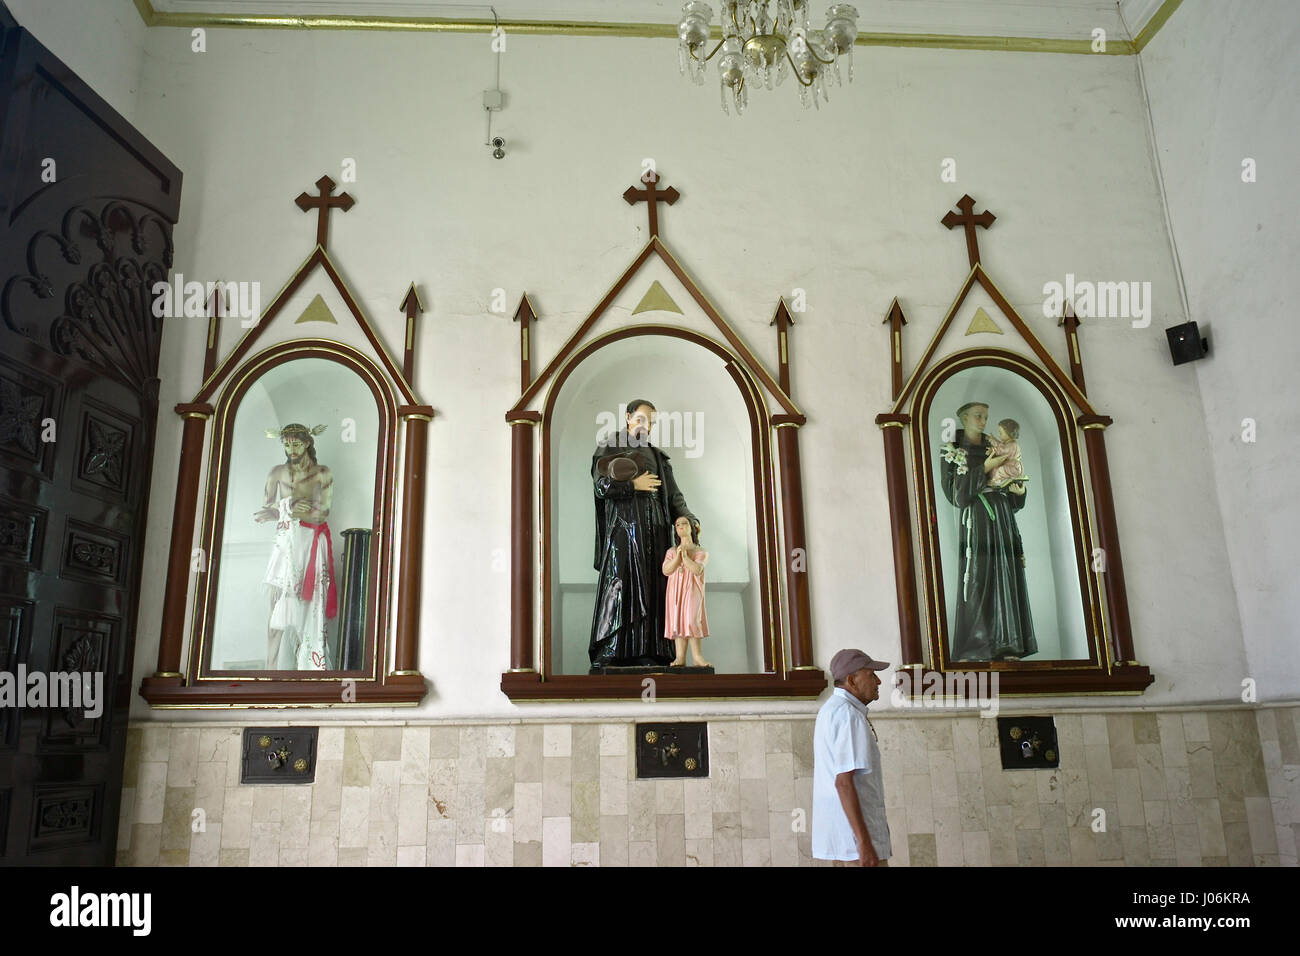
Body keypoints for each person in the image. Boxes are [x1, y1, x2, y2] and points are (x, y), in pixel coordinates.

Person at [589, 399, 696, 669]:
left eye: (650, 422)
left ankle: (653, 650)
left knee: (654, 588)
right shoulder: (611, 446)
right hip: (623, 530)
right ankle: (613, 648)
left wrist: (686, 518)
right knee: (621, 583)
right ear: (627, 417)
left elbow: (674, 496)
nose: (645, 426)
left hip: (656, 531)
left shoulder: (658, 457)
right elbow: (601, 486)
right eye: (640, 419)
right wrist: (632, 485)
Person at [938, 402, 1036, 661]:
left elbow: (1010, 488)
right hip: (978, 519)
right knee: (979, 575)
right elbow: (957, 496)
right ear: (963, 418)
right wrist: (984, 468)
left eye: (986, 417)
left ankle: (1009, 643)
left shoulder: (995, 444)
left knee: (1006, 572)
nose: (983, 421)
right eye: (978, 416)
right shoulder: (953, 449)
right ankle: (977, 645)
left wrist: (1019, 492)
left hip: (1002, 516)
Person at [254, 423, 337, 670]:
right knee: (276, 605)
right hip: (286, 543)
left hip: (311, 542)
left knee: (311, 606)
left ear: (308, 443)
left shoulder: (323, 473)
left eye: (296, 443)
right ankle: (270, 669)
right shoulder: (277, 473)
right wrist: (288, 509)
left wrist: (294, 511)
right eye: (287, 444)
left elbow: (322, 513)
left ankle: (309, 668)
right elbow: (265, 510)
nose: (291, 448)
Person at [813, 649, 892, 867]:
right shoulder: (848, 715)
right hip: (856, 844)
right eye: (871, 674)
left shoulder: (831, 710)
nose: (878, 681)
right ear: (851, 680)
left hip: (846, 840)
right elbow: (843, 783)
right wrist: (864, 844)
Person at [662, 515, 711, 668]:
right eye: (677, 525)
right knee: (678, 620)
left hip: (692, 590)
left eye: (684, 523)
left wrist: (684, 556)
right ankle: (680, 657)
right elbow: (666, 570)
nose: (681, 526)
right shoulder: (671, 551)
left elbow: (697, 569)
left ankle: (697, 657)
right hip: (675, 591)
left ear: (692, 527)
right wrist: (678, 557)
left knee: (691, 619)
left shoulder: (700, 551)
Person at [985, 418, 1028, 490]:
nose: (999, 435)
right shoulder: (1008, 443)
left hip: (1013, 467)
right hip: (1009, 465)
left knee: (1000, 470)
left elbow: (1001, 450)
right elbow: (1000, 445)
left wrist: (992, 450)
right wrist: (992, 439)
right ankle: (995, 480)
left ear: (1009, 434)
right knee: (994, 469)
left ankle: (996, 482)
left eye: (1001, 433)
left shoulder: (1012, 445)